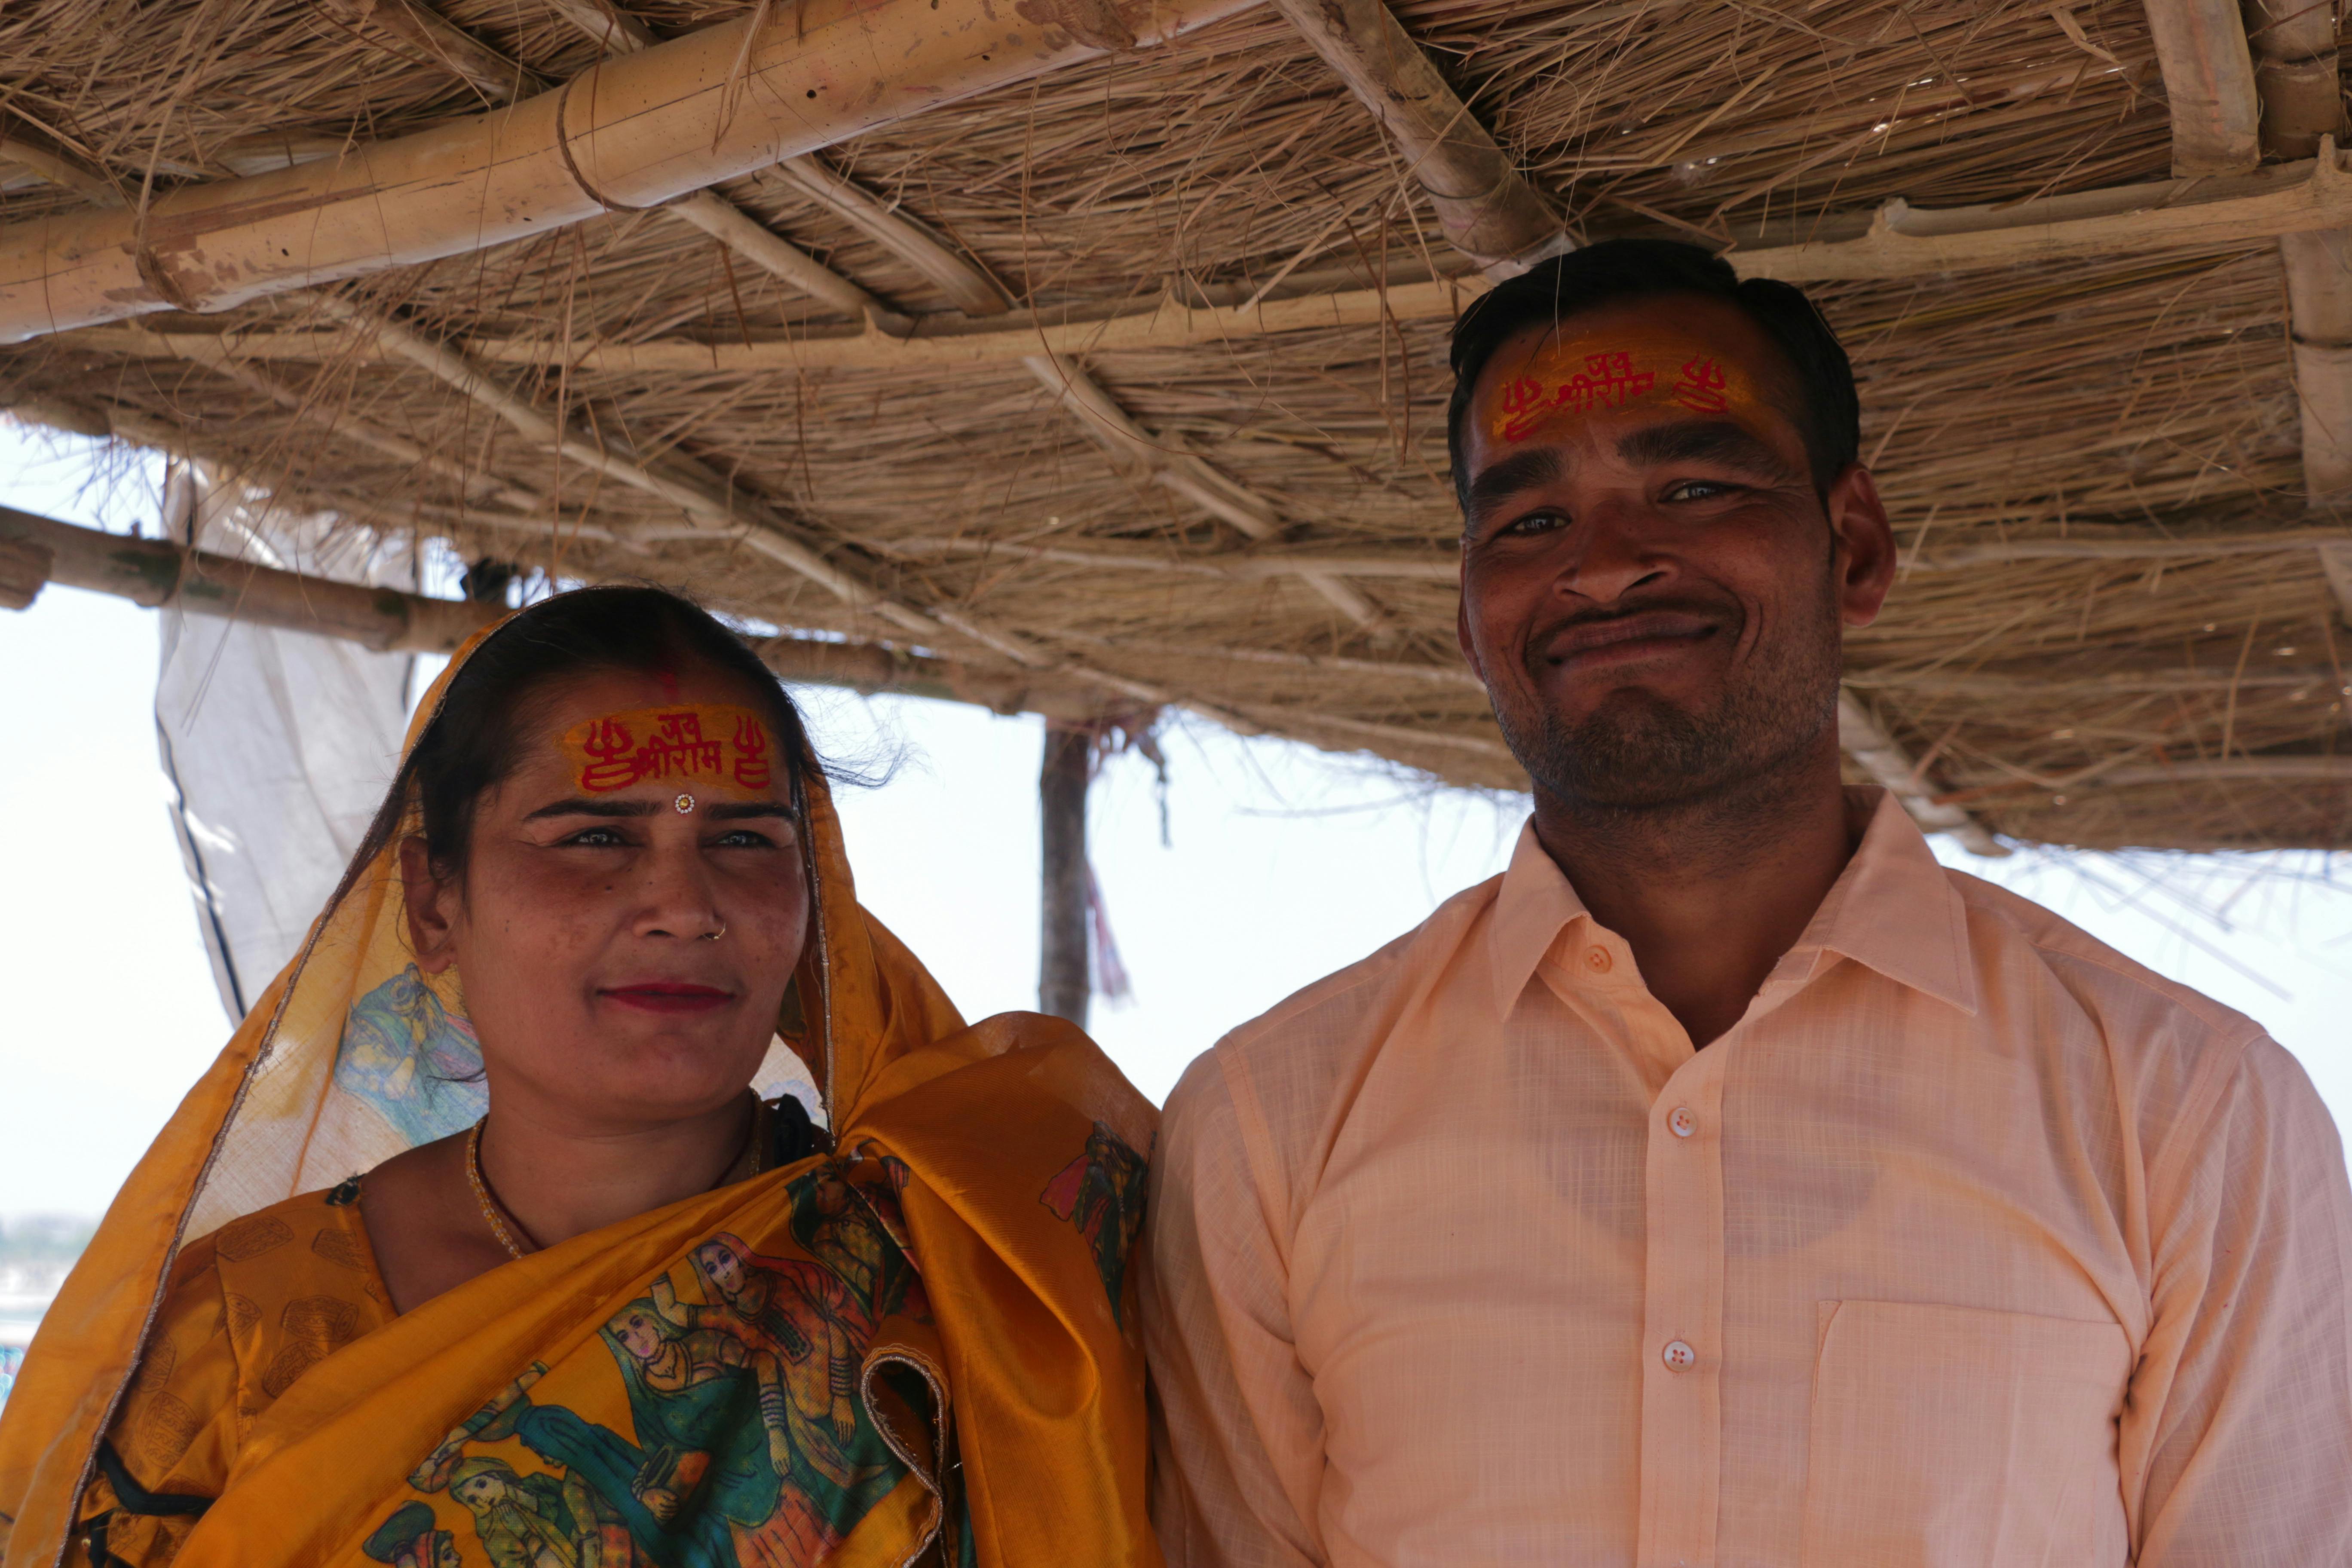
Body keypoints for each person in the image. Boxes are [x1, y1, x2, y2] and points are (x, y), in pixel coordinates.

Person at [1143, 239, 2352, 1566]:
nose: (1604, 565)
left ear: (1856, 551)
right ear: (1469, 616)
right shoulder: (1269, 1129)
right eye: (1529, 521)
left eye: (1695, 485)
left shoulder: (2185, 1114)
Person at [0, 585, 1162, 1568]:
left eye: (746, 840)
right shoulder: (237, 1335)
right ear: (432, 901)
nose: (685, 907)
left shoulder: (963, 1269)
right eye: (593, 838)